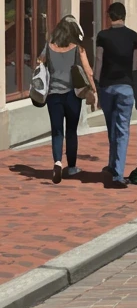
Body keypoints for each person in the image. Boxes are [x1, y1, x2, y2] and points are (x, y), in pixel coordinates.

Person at [39, 15, 97, 184]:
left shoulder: (48, 47)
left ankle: (57, 162)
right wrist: (93, 90)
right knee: (71, 131)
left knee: (57, 131)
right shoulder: (77, 48)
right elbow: (88, 71)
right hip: (72, 95)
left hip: (53, 96)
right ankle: (71, 167)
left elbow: (40, 62)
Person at [94, 2, 137, 187]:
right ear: (124, 15)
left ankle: (113, 166)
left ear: (109, 15)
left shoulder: (103, 36)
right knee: (122, 129)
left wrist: (96, 82)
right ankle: (117, 173)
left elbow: (99, 59)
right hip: (126, 87)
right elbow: (136, 60)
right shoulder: (133, 36)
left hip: (107, 86)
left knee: (111, 128)